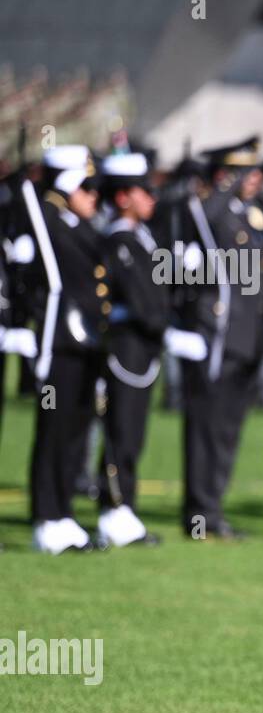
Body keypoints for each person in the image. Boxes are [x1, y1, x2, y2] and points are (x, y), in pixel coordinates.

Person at [177, 136, 263, 540]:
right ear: (225, 175)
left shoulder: (247, 213)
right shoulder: (208, 208)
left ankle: (213, 508)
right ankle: (200, 514)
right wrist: (224, 186)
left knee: (228, 427)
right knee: (206, 426)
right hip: (216, 334)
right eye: (246, 173)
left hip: (245, 336)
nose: (255, 179)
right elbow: (201, 217)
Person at [24, 146, 110, 553]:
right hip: (57, 342)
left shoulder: (77, 224)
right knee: (54, 430)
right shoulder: (45, 221)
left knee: (77, 428)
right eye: (87, 186)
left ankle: (64, 512)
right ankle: (47, 516)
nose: (94, 196)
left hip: (86, 341)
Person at [97, 152, 168, 547]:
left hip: (143, 347)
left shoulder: (141, 237)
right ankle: (114, 507)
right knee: (119, 429)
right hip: (125, 347)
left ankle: (124, 506)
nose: (151, 199)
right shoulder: (118, 240)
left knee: (134, 431)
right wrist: (162, 324)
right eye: (144, 191)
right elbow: (140, 300)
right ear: (123, 196)